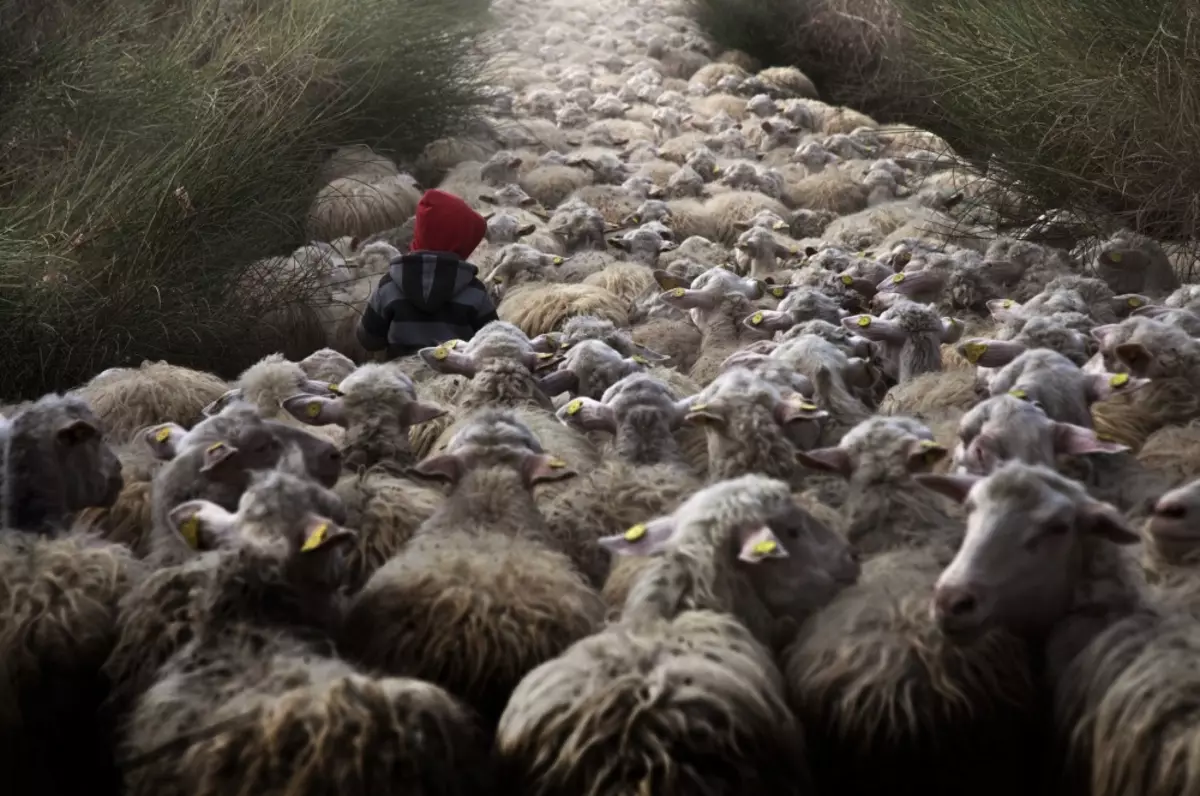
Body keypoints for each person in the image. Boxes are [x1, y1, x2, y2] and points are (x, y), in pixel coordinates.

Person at [356, 188, 498, 359]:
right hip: (455, 380)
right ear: (461, 241)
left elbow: (369, 340)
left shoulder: (389, 285)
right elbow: (492, 341)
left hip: (401, 380)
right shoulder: (474, 291)